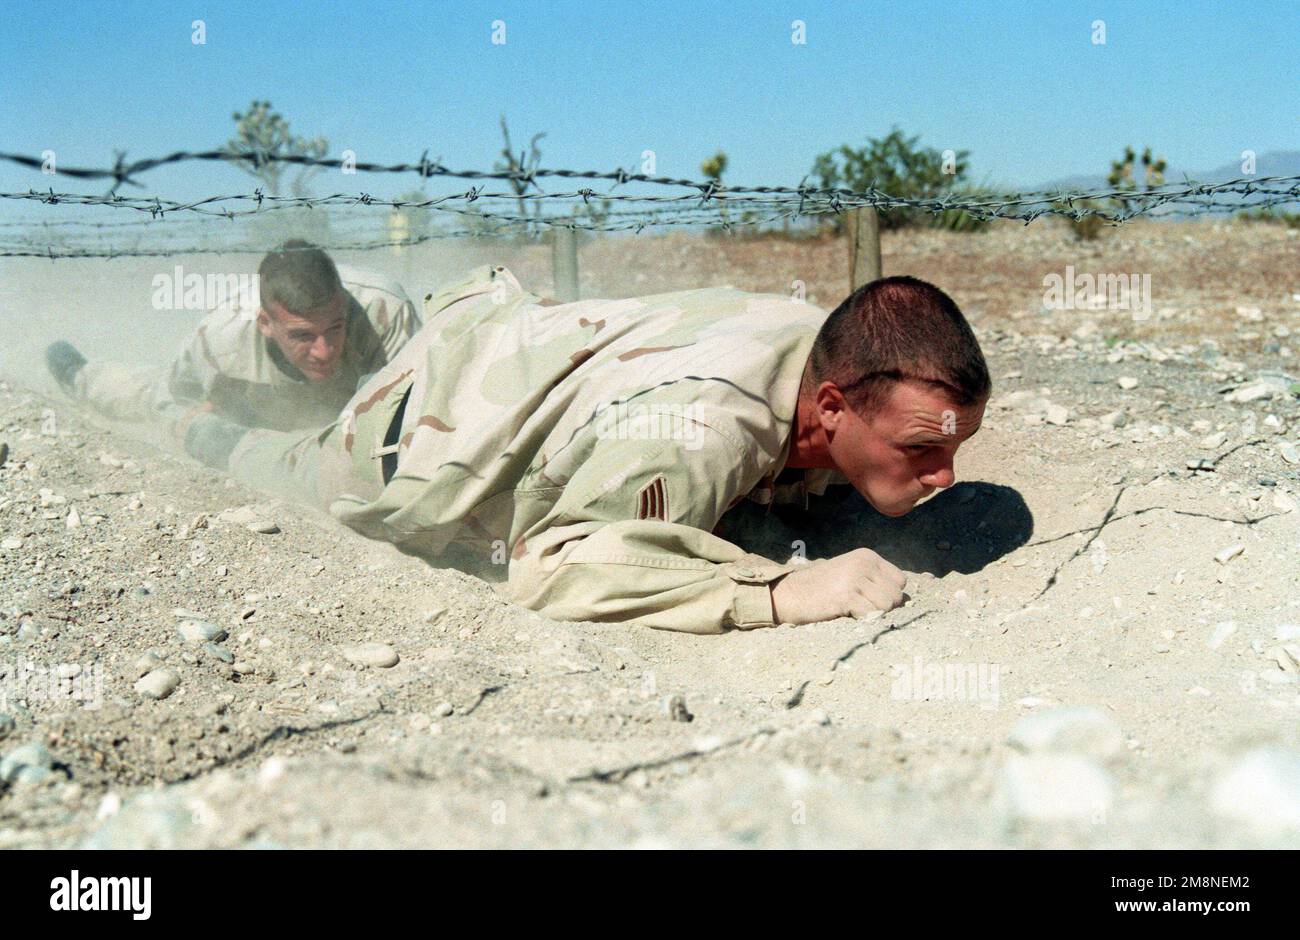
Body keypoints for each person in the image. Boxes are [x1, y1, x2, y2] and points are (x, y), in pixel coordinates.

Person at [182, 265, 989, 634]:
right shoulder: (703, 432)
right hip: (400, 442)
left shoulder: (825, 345)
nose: (946, 476)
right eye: (921, 450)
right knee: (275, 462)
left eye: (956, 444)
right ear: (832, 404)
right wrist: (776, 593)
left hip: (484, 364)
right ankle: (168, 417)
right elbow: (551, 563)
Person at [44, 240, 421, 454]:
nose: (324, 350)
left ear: (343, 305)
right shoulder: (223, 335)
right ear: (266, 324)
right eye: (302, 336)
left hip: (357, 397)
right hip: (256, 398)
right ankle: (83, 376)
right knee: (150, 395)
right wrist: (207, 421)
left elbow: (414, 409)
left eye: (334, 329)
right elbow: (178, 394)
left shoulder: (385, 311)